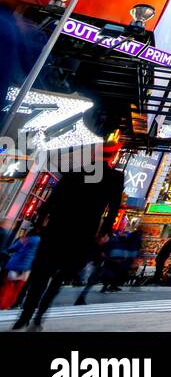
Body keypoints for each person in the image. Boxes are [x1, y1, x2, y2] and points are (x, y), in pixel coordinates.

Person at [11, 140, 125, 330]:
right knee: (58, 279)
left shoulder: (75, 172)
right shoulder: (115, 177)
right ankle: (38, 316)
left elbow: (52, 199)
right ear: (113, 156)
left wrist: (39, 222)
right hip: (82, 234)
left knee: (40, 276)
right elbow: (113, 208)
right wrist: (105, 232)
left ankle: (25, 315)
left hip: (57, 229)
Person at [0, 225, 40, 310]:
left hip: (14, 265)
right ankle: (10, 304)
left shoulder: (24, 239)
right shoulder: (40, 241)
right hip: (26, 269)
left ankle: (2, 304)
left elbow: (12, 248)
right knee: (18, 289)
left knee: (8, 286)